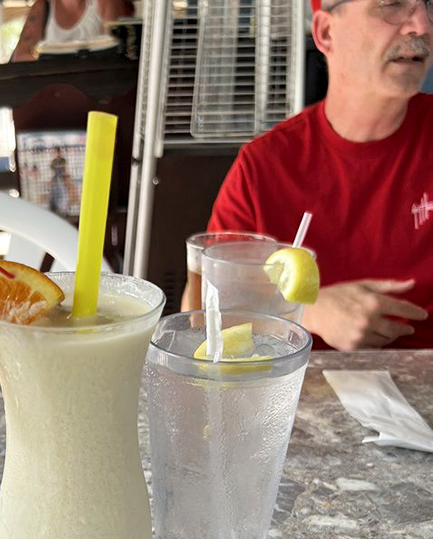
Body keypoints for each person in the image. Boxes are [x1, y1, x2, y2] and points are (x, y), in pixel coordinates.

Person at [185, 0, 433, 351]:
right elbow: (201, 314)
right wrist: (309, 313)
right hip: (298, 394)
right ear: (326, 32)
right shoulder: (265, 167)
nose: (421, 26)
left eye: (429, 6)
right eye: (391, 5)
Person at [12, 0, 133, 62]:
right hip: (55, 97)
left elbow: (118, 55)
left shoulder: (105, 3)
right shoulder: (42, 6)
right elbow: (20, 57)